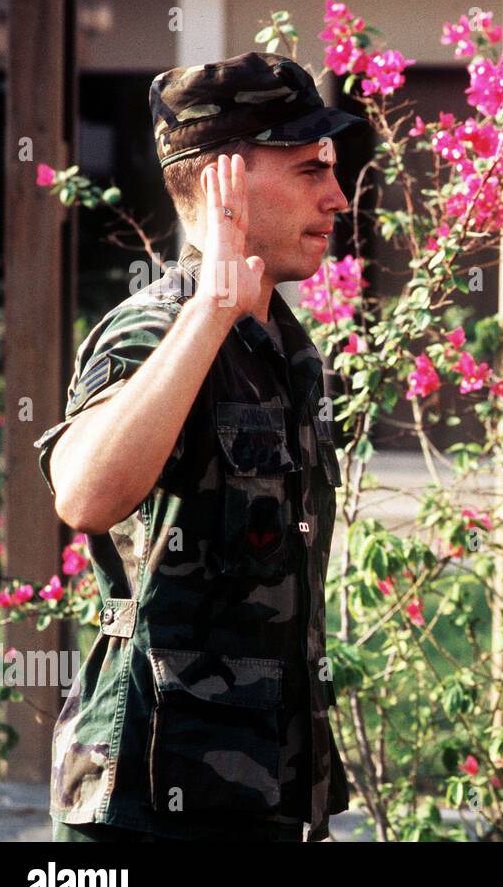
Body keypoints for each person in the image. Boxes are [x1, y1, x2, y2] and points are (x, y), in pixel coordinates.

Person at [33, 51, 367, 841]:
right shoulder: (151, 328)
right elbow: (83, 496)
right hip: (147, 807)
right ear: (225, 181)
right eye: (311, 168)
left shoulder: (290, 351)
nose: (338, 197)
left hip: (269, 800)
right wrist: (209, 310)